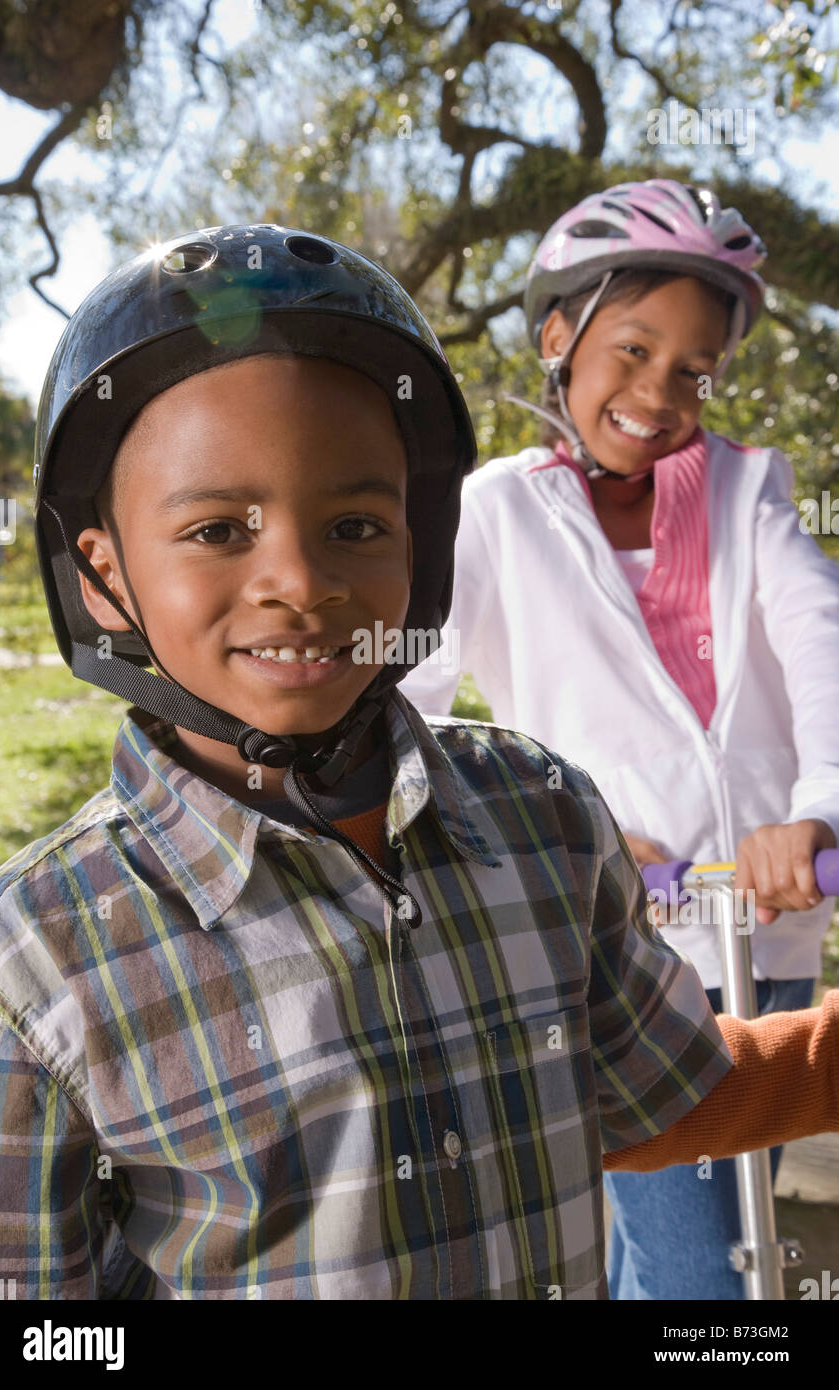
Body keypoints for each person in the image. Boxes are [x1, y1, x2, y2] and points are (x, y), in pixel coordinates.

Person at [0, 222, 836, 1302]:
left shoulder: (545, 819)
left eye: (353, 524)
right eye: (214, 531)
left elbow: (662, 1093)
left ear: (417, 542)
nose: (298, 578)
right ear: (100, 569)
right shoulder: (36, 958)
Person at [399, 179, 839, 1300]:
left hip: (766, 932)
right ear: (557, 337)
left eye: (692, 369)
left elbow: (818, 637)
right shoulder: (496, 511)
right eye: (632, 349)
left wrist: (818, 804)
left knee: (717, 1223)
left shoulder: (747, 488)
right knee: (704, 1270)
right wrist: (569, 836)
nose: (659, 391)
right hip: (621, 955)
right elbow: (414, 704)